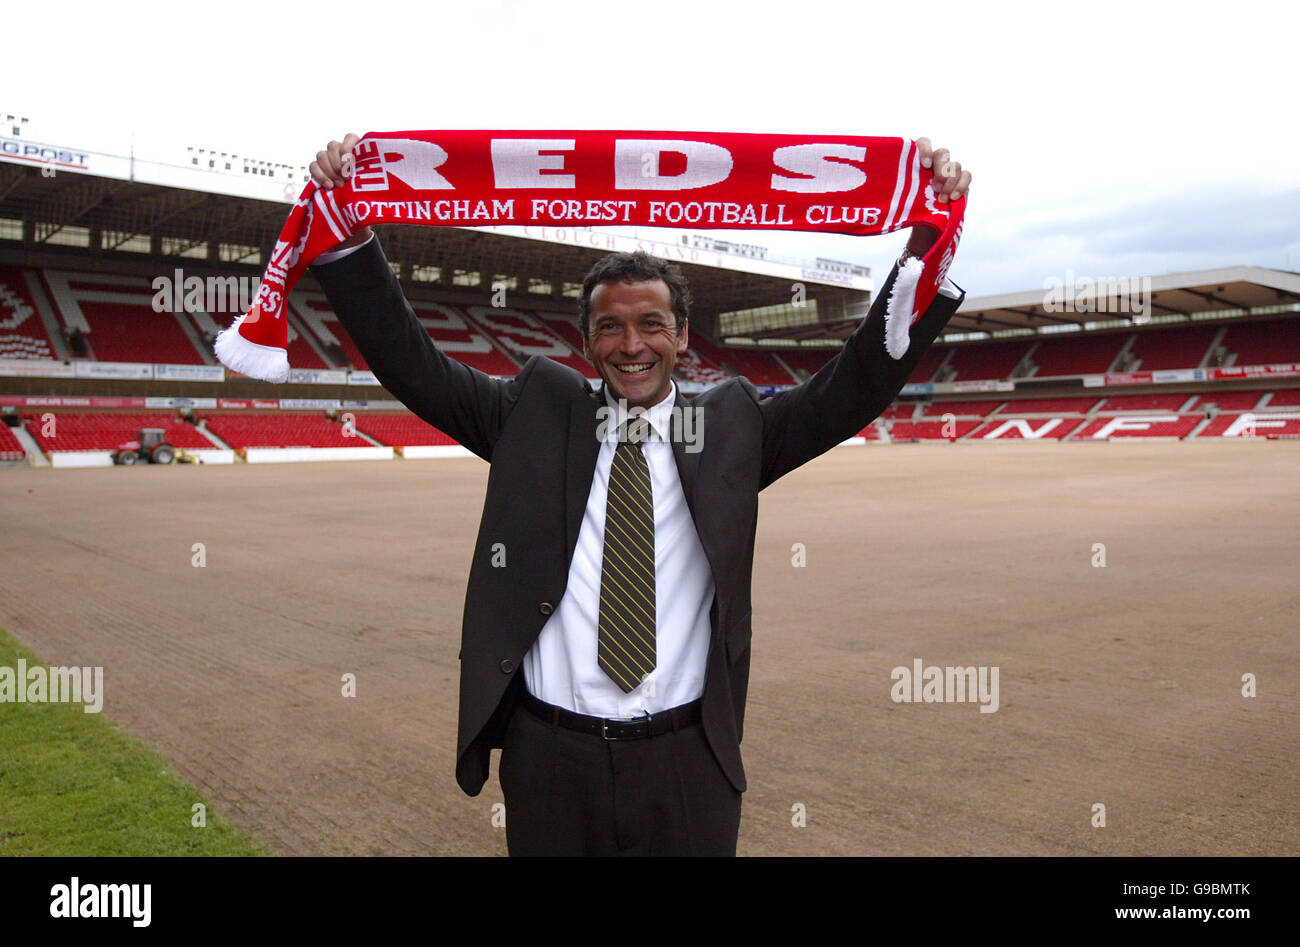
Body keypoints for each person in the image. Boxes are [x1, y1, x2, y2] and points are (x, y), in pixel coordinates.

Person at [307, 133, 969, 856]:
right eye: (611, 326)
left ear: (681, 335)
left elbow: (850, 389)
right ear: (587, 338)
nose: (632, 344)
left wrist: (923, 249)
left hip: (688, 762)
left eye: (651, 323)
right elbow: (412, 360)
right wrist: (348, 229)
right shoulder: (534, 412)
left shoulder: (732, 425)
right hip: (550, 757)